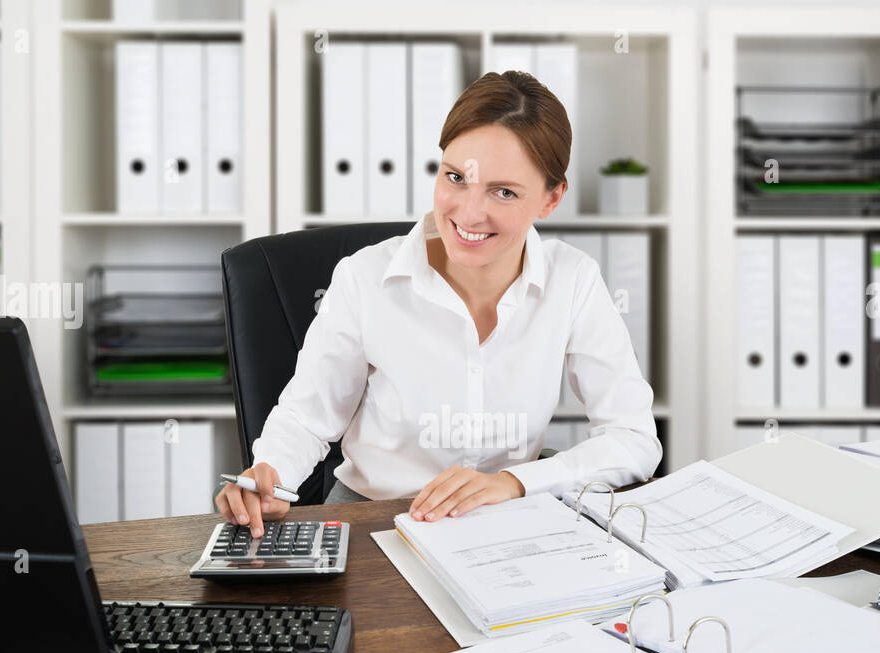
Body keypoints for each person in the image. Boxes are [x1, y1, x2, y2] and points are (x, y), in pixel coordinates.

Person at [216, 70, 660, 536]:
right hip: (376, 519)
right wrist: (268, 476)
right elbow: (307, 418)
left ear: (551, 199)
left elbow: (631, 437)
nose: (469, 214)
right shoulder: (364, 278)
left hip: (509, 520)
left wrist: (513, 482)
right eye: (455, 178)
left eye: (504, 191)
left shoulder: (573, 281)